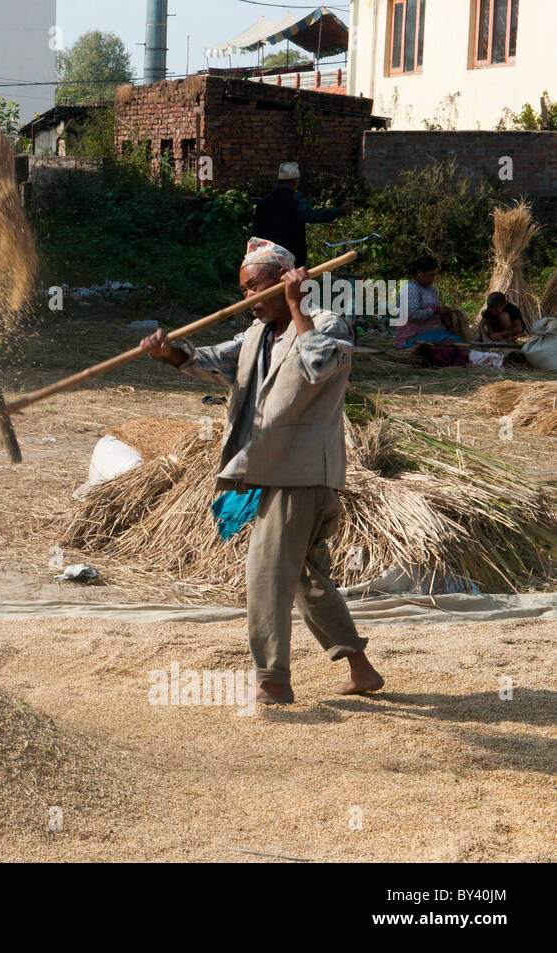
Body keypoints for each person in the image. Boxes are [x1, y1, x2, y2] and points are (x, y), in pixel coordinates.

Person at [139, 237, 383, 705]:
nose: (247, 301)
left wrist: (296, 305)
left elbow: (315, 367)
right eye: (244, 290)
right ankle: (361, 668)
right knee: (306, 576)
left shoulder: (329, 325)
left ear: (283, 282)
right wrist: (169, 351)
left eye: (255, 289)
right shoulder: (254, 337)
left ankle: (273, 680)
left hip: (304, 471)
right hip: (270, 469)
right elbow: (212, 362)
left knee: (267, 573)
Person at [251, 162, 353, 270]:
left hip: (266, 258)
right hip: (290, 258)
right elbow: (310, 216)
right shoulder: (294, 199)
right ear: (295, 181)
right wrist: (339, 211)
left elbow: (255, 233)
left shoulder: (263, 202)